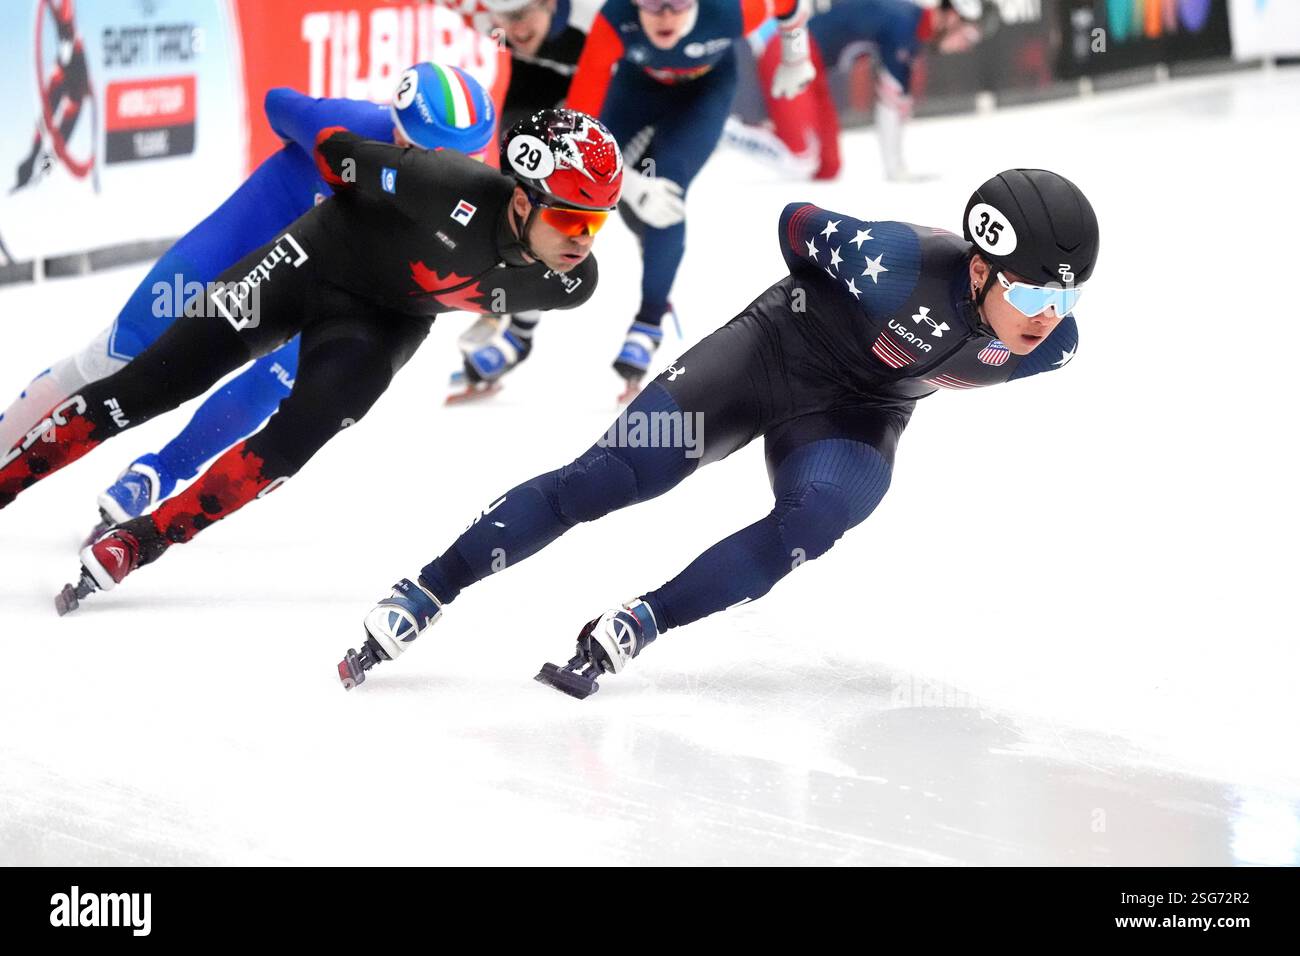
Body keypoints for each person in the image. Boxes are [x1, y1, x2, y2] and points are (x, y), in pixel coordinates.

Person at [337, 168, 1098, 696]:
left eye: (1063, 296)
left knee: (821, 517)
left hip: (859, 413)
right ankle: (429, 589)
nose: (1044, 315)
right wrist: (805, 313)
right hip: (767, 354)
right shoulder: (895, 265)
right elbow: (796, 227)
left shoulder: (1051, 346)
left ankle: (641, 621)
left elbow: (985, 345)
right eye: (1030, 290)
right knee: (607, 479)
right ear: (977, 270)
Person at [0, 108, 623, 614]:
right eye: (570, 217)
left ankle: (143, 542)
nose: (582, 239)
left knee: (299, 437)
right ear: (521, 202)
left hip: (385, 322)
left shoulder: (573, 283)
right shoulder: (444, 185)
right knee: (151, 385)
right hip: (306, 266)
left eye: (597, 222)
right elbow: (334, 150)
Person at [0, 63, 497, 541]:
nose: (450, 172)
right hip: (246, 235)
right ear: (397, 134)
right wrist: (313, 151)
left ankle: (159, 472)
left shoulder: (473, 194)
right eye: (433, 155)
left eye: (469, 157)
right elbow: (277, 103)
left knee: (277, 379)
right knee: (118, 351)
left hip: (323, 280)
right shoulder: (350, 124)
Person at [565, 0, 816, 399]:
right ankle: (521, 323)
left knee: (666, 190)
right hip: (636, 87)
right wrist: (627, 184)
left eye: (677, 4)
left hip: (704, 93)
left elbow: (791, 5)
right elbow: (576, 130)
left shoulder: (731, 11)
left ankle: (648, 321)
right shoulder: (614, 19)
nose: (665, 16)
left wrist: (794, 54)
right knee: (573, 187)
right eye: (652, 4)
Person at [734, 0, 983, 181]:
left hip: (812, 63)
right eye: (967, 35)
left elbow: (895, 102)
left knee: (828, 167)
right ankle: (728, 132)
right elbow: (890, 104)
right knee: (800, 161)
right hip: (791, 51)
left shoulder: (911, 23)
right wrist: (896, 170)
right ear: (950, 16)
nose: (966, 45)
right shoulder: (905, 25)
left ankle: (772, 135)